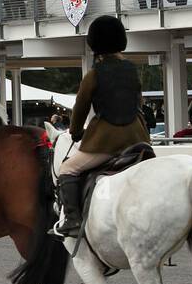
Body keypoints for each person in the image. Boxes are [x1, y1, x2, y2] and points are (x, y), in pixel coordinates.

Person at [51, 15, 150, 238]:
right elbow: (139, 104)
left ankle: (72, 220)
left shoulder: (93, 75)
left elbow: (80, 108)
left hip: (106, 141)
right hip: (138, 138)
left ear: (96, 45)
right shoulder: (132, 70)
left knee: (68, 169)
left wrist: (76, 133)